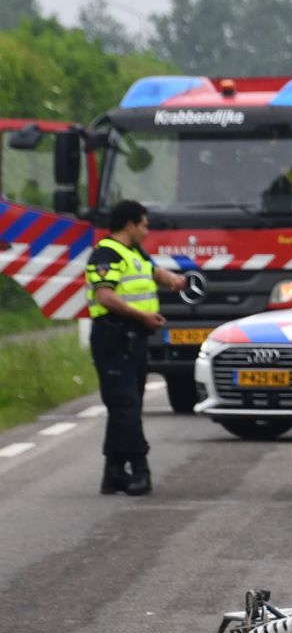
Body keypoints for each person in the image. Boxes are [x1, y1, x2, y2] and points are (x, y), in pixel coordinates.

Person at [86, 199, 186, 495]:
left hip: (134, 337)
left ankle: (113, 472)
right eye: (144, 224)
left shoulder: (133, 252)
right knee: (125, 405)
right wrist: (142, 316)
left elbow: (151, 270)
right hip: (113, 336)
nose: (147, 230)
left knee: (127, 405)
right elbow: (104, 296)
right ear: (129, 225)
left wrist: (173, 280)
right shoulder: (106, 254)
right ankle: (140, 468)